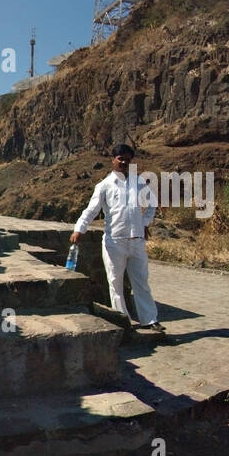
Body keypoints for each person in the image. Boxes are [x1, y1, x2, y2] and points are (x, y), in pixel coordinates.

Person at [73, 144, 162, 336]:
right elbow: (91, 210)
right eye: (120, 158)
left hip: (136, 241)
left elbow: (152, 204)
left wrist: (144, 223)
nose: (124, 162)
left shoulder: (139, 183)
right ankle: (124, 322)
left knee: (141, 282)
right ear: (113, 160)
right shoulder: (104, 186)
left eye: (128, 159)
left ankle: (150, 320)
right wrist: (79, 229)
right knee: (115, 283)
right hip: (115, 242)